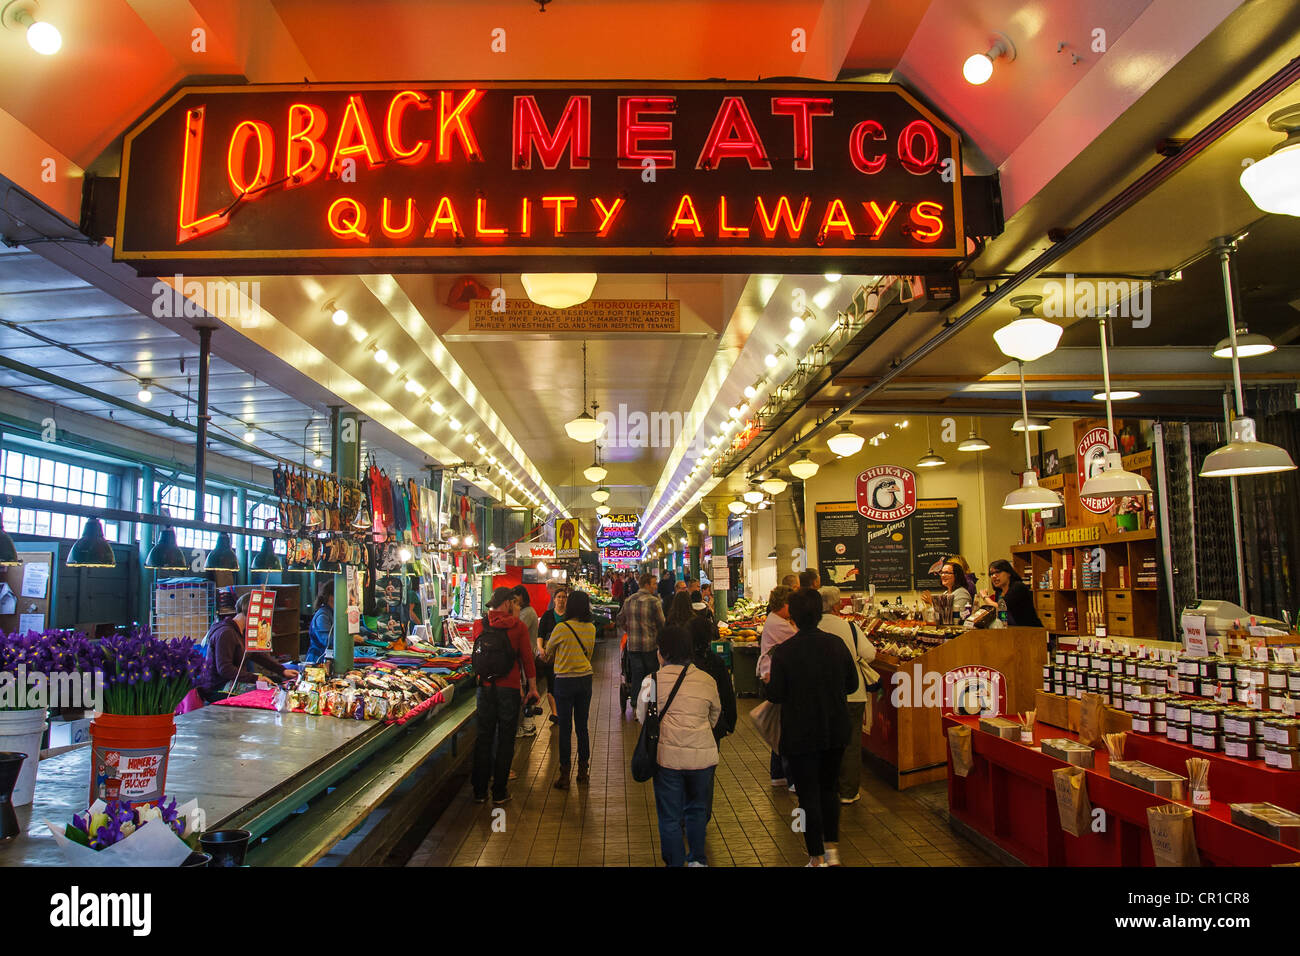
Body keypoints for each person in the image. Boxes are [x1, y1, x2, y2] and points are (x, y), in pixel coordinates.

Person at [765, 588, 857, 866]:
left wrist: (770, 681)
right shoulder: (836, 644)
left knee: (808, 794)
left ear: (792, 615)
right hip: (835, 729)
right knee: (829, 789)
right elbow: (852, 685)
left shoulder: (784, 652)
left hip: (800, 733)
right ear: (819, 613)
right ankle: (833, 851)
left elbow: (776, 695)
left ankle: (816, 856)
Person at [636, 624, 720, 867]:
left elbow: (644, 718)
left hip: (667, 759)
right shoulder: (707, 680)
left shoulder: (650, 682)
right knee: (696, 811)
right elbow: (714, 715)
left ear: (661, 652)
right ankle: (698, 860)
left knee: (670, 817)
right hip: (703, 760)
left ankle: (675, 862)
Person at [471, 587, 538, 805]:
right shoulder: (517, 627)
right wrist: (533, 688)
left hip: (485, 687)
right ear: (508, 603)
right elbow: (527, 659)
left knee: (484, 738)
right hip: (509, 689)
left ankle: (479, 791)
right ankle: (499, 792)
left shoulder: (479, 625)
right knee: (506, 740)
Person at [814, 586, 877, 804]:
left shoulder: (811, 628)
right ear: (837, 605)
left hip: (820, 697)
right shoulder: (850, 628)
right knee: (850, 744)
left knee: (823, 742)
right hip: (852, 695)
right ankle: (848, 792)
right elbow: (869, 654)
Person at [198, 589, 296, 703]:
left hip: (234, 681)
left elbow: (256, 654)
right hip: (219, 687)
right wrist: (256, 678)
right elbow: (225, 669)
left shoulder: (242, 632)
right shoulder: (226, 633)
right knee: (268, 693)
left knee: (276, 682)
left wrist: (282, 671)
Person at [543, 589, 596, 790]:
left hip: (564, 681)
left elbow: (548, 653)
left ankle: (564, 774)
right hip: (585, 679)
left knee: (565, 728)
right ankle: (583, 770)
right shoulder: (591, 628)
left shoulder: (561, 628)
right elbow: (589, 653)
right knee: (582, 727)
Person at [758, 585, 796, 787]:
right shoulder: (779, 624)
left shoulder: (776, 619)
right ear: (783, 604)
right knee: (784, 727)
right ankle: (790, 777)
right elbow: (798, 641)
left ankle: (778, 773)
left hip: (771, 675)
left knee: (779, 727)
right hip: (774, 677)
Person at [617, 573, 666, 715]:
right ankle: (651, 702)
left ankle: (635, 702)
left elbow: (620, 619)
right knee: (651, 674)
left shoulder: (629, 600)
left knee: (637, 672)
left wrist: (629, 630)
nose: (656, 586)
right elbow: (662, 623)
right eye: (654, 584)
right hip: (650, 645)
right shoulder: (654, 601)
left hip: (633, 646)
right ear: (647, 585)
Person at [512, 585, 541, 738]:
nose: (515, 603)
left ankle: (525, 725)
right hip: (525, 657)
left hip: (526, 657)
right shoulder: (525, 612)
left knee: (523, 692)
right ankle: (526, 724)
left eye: (517, 600)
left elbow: (516, 629)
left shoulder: (527, 613)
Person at [536, 584, 568, 723]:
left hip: (566, 656)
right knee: (551, 682)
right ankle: (555, 714)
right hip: (550, 657)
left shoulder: (570, 616)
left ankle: (562, 710)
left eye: (563, 597)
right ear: (554, 600)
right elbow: (540, 634)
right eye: (559, 597)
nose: (561, 600)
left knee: (563, 683)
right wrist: (541, 649)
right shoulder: (547, 616)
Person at [982, 559, 1042, 628]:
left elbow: (1001, 607)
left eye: (997, 572)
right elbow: (999, 614)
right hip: (1010, 630)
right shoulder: (999, 591)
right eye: (991, 574)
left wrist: (985, 596)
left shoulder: (1018, 587)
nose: (994, 576)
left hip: (1029, 630)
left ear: (1009, 573)